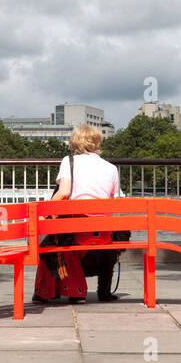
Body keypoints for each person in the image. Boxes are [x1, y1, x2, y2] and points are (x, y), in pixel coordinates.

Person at [32, 124, 124, 304]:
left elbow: (64, 192)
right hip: (104, 233)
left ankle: (46, 291)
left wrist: (43, 213)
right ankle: (87, 290)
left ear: (75, 142)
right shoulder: (111, 168)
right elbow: (114, 199)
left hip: (77, 231)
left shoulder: (69, 161)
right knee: (59, 235)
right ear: (97, 142)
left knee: (48, 241)